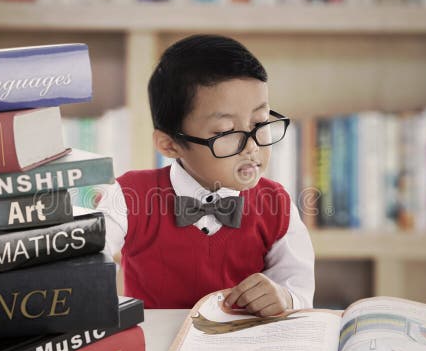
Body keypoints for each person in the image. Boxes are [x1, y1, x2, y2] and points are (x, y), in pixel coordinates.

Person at [95, 34, 315, 317]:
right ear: (170, 145)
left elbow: (300, 293)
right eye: (225, 132)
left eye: (259, 123)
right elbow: (87, 258)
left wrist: (285, 298)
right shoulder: (130, 196)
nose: (251, 145)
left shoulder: (278, 206)